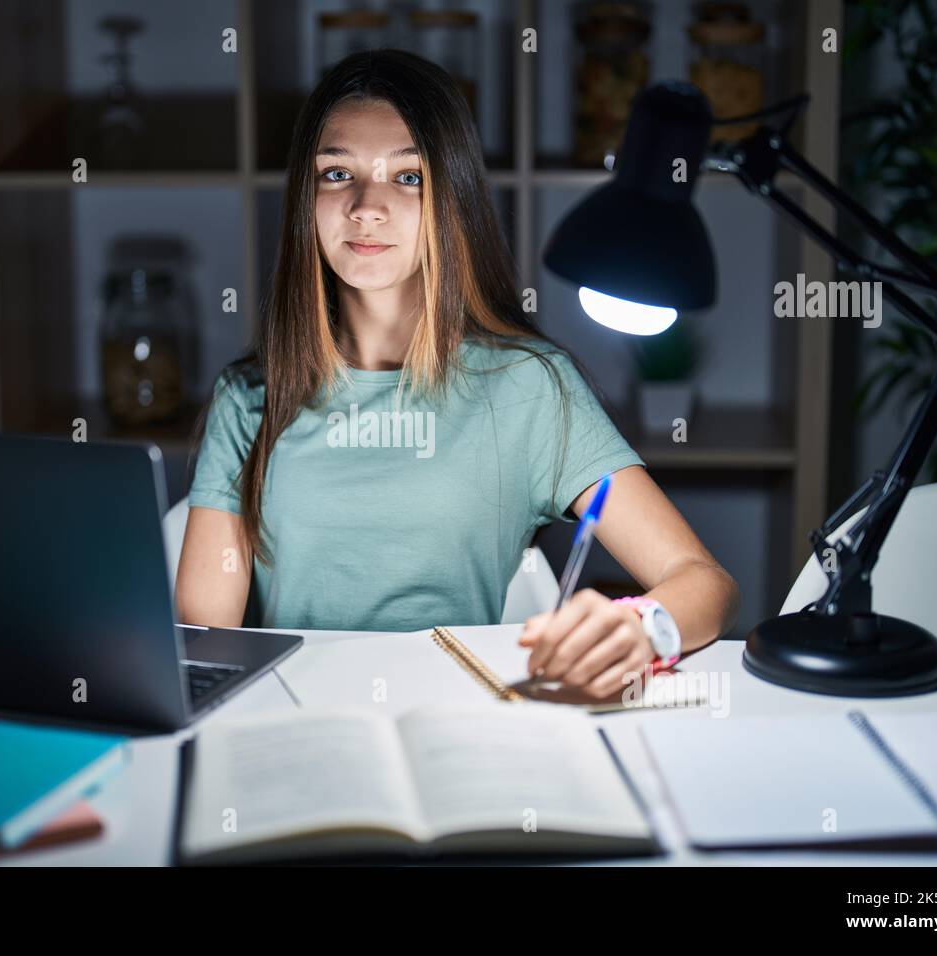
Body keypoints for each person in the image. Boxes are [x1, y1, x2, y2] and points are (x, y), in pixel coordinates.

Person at [177, 50, 739, 702]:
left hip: (461, 729)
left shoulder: (528, 387)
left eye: (408, 178)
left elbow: (703, 581)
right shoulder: (249, 399)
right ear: (306, 199)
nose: (366, 207)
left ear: (453, 199)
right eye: (337, 173)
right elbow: (204, 646)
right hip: (298, 731)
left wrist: (644, 627)